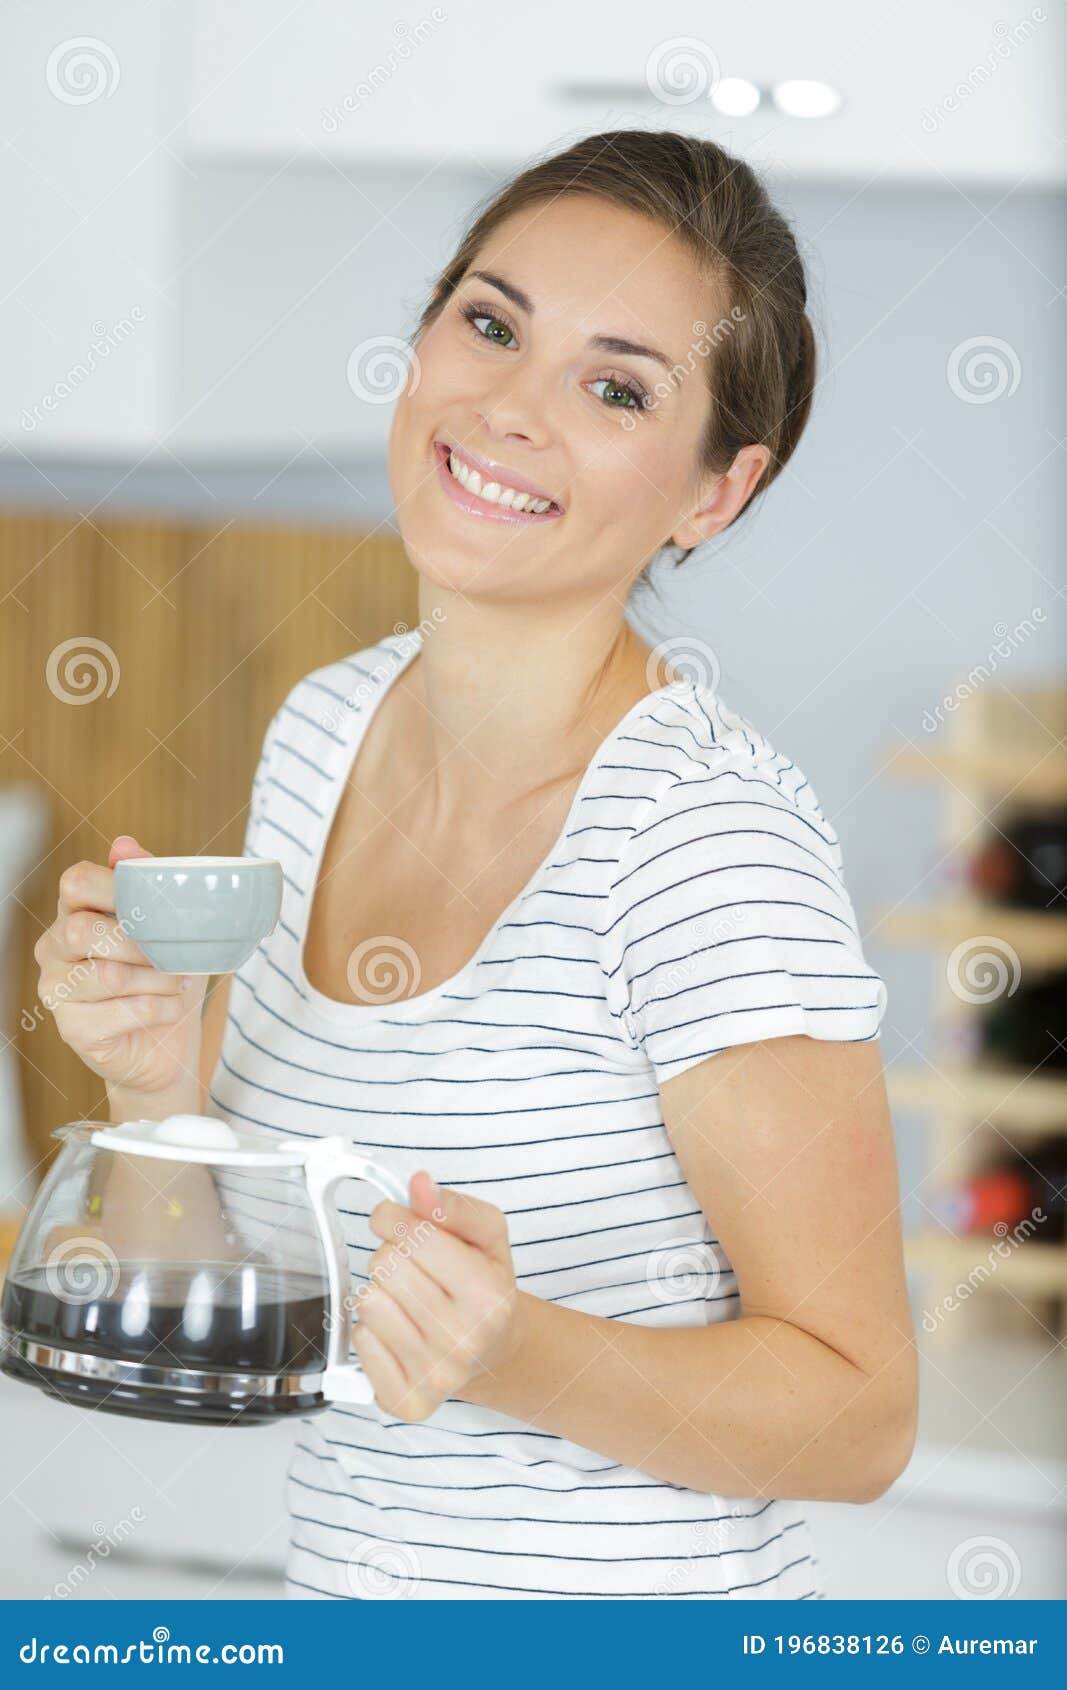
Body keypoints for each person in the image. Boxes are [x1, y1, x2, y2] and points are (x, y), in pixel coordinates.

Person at [35, 129, 917, 1600]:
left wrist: (518, 1350)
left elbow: (863, 1413)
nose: (508, 405)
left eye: (617, 385)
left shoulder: (701, 840)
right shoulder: (324, 732)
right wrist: (149, 1081)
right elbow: (222, 1288)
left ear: (715, 493)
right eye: (492, 323)